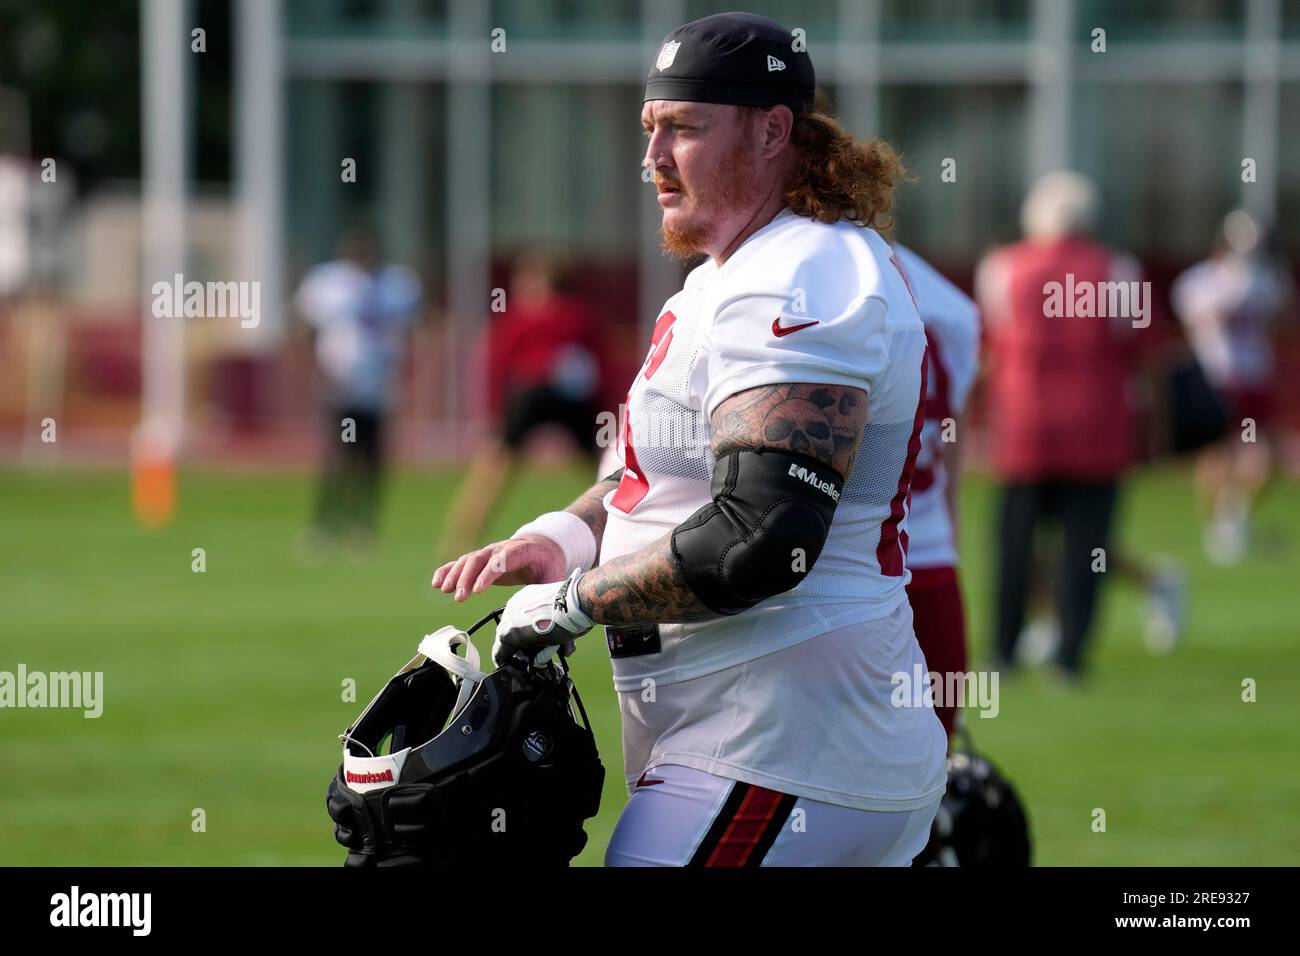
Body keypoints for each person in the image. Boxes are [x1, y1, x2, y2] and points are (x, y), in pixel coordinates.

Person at [433, 11, 946, 867]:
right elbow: (657, 481)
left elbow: (763, 538)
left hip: (787, 743)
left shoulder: (804, 270)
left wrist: (569, 609)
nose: (653, 158)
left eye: (683, 128)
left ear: (773, 130)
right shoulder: (727, 274)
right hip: (742, 735)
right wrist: (563, 537)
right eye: (650, 129)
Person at [976, 171, 1157, 681]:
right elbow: (1144, 355)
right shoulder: (1119, 270)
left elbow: (989, 347)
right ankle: (1069, 655)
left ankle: (1004, 650)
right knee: (1089, 547)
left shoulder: (1001, 269)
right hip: (1097, 429)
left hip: (1022, 427)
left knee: (1014, 544)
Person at [436, 250, 609, 560]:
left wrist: (491, 413)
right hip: (572, 400)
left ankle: (459, 542)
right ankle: (622, 530)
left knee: (493, 471)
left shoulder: (518, 317)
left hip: (530, 396)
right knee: (605, 474)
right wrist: (604, 412)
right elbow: (601, 367)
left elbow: (497, 365)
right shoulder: (580, 315)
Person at [1171, 209, 1292, 565]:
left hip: (1255, 377)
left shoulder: (1265, 279)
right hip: (1218, 376)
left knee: (1265, 459)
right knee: (1216, 455)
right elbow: (1198, 320)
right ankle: (1215, 527)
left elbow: (1280, 320)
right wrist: (1234, 294)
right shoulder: (1201, 280)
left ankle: (1233, 516)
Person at [893, 245, 980, 738]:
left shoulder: (939, 305)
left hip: (920, 548)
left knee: (933, 740)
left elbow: (950, 432)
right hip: (823, 569)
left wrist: (948, 533)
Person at [294, 225, 422, 556]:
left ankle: (363, 525)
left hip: (378, 387)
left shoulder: (395, 286)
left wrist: (405, 376)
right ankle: (326, 523)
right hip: (340, 385)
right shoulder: (328, 285)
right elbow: (306, 330)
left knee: (373, 459)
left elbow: (410, 334)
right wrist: (315, 372)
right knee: (339, 456)